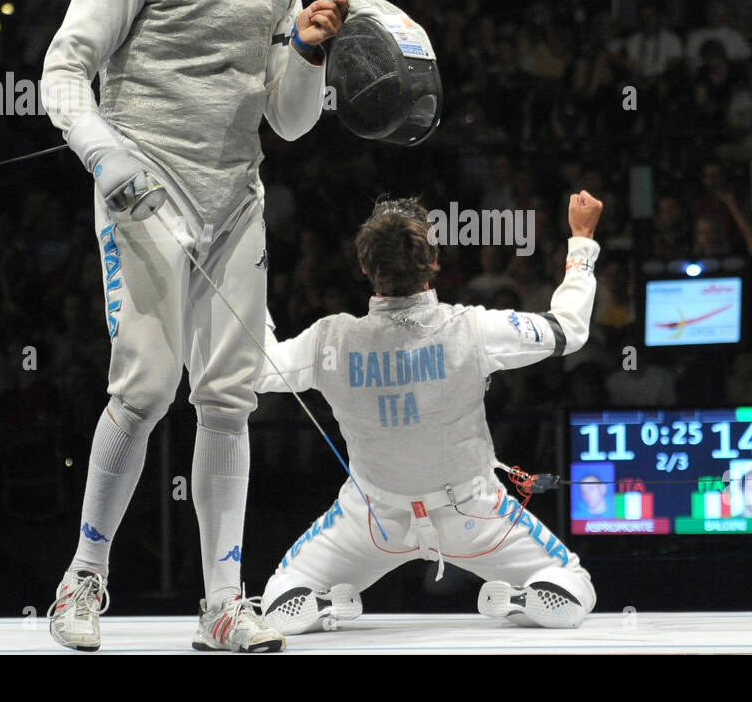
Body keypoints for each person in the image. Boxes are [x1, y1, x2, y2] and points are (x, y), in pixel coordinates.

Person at [39, 0, 347, 653]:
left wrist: (309, 52)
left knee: (227, 399)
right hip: (143, 192)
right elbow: (63, 73)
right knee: (143, 390)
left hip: (232, 202)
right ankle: (83, 579)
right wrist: (107, 159)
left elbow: (286, 124)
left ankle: (222, 602)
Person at [255, 192, 604, 633]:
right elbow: (567, 330)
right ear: (433, 260)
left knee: (281, 591)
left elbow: (257, 370)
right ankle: (519, 596)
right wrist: (582, 240)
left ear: (365, 267)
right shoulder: (471, 330)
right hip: (474, 513)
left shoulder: (332, 340)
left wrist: (247, 280)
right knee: (573, 583)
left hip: (371, 519)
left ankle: (320, 599)